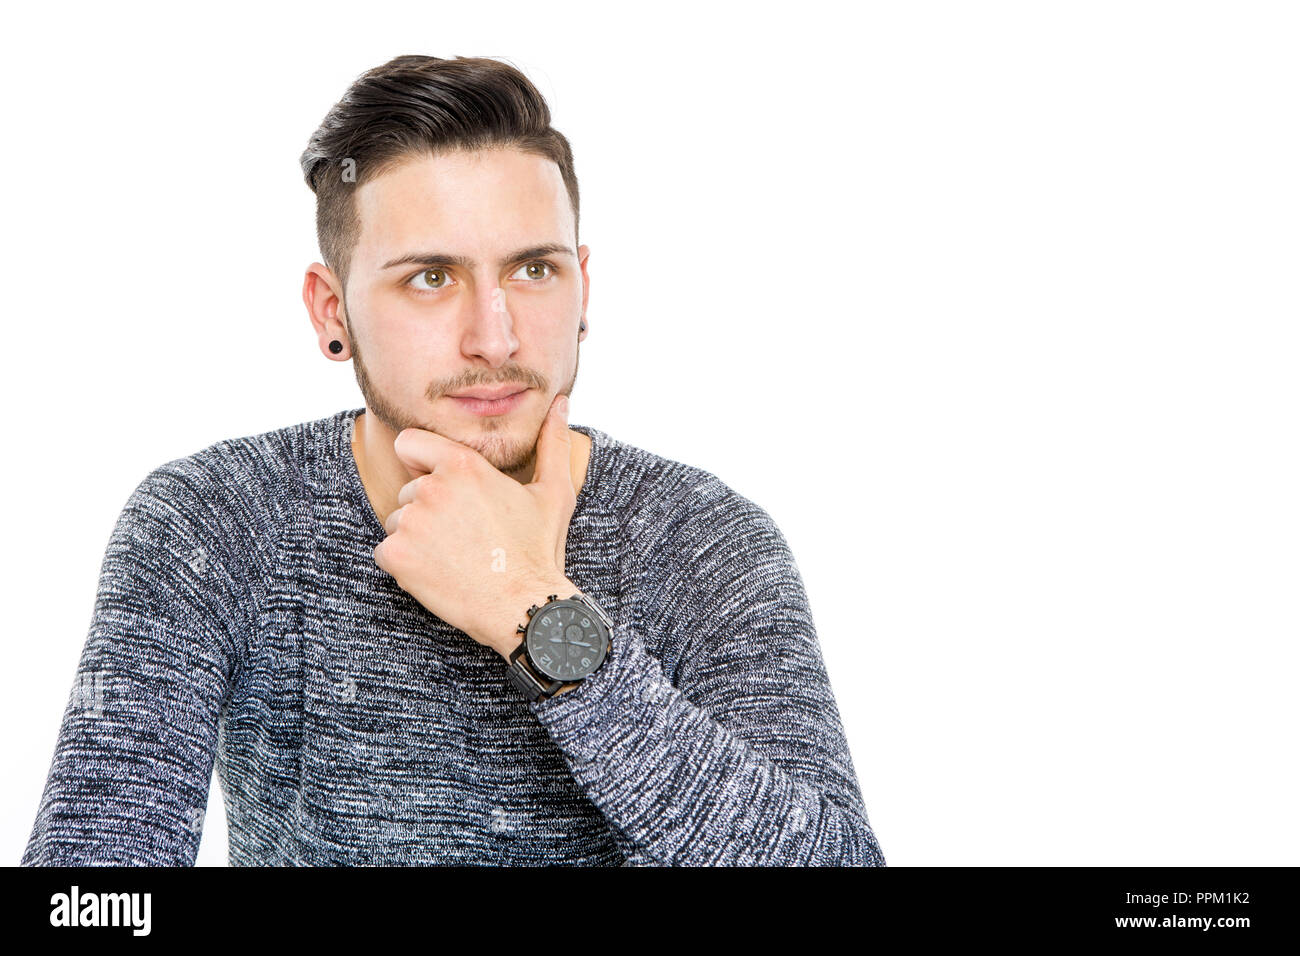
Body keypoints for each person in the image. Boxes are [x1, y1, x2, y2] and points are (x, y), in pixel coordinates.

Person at [20, 54, 886, 866]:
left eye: (534, 271)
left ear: (584, 288)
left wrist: (531, 607)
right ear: (332, 310)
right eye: (430, 278)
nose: (494, 335)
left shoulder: (703, 539)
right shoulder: (217, 520)